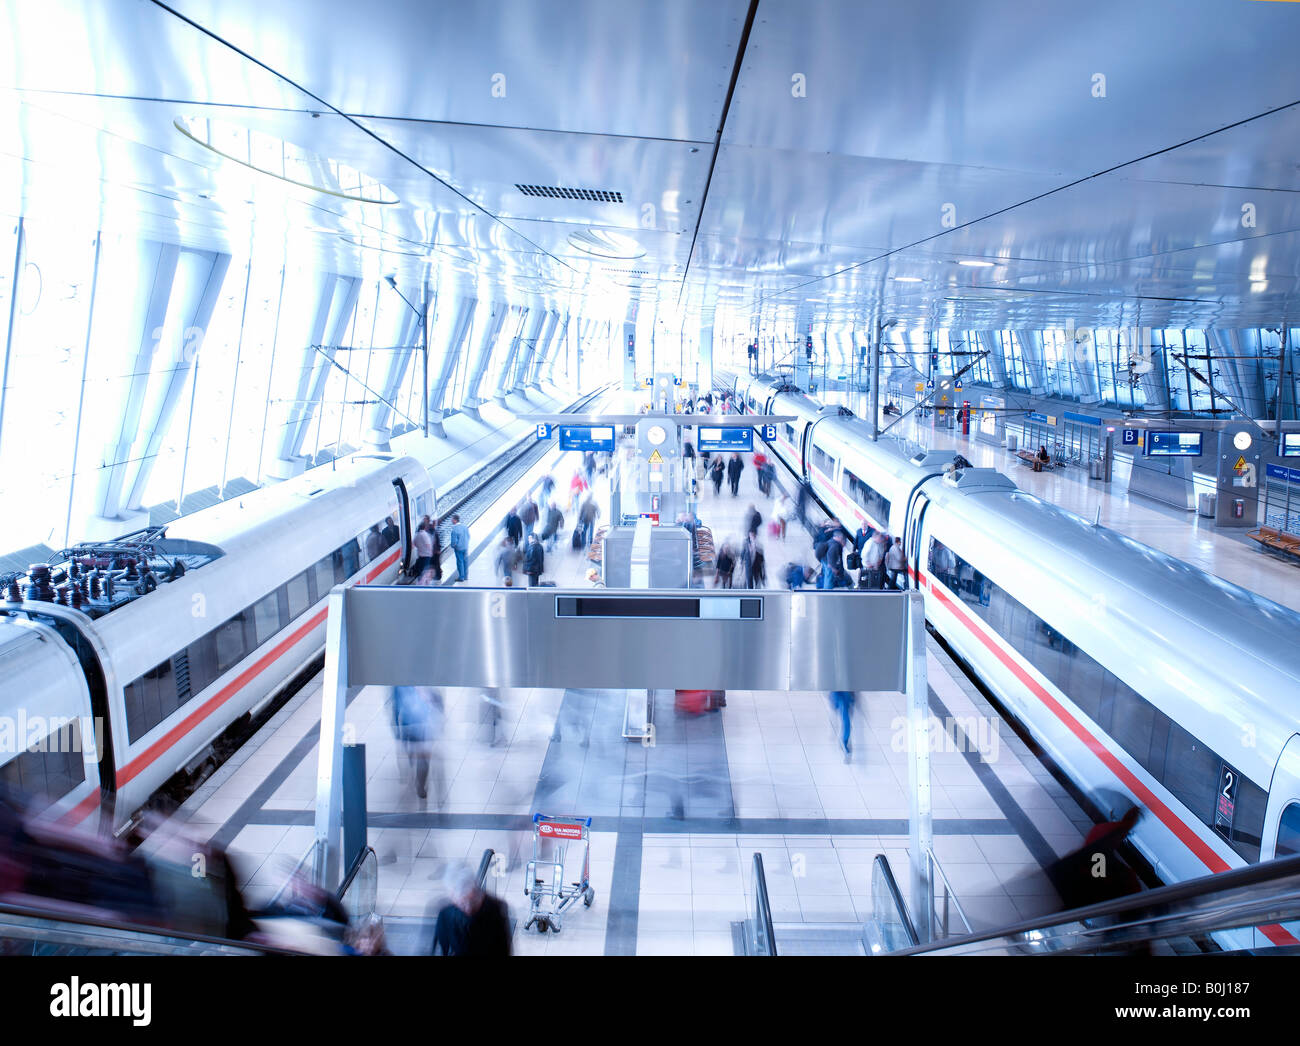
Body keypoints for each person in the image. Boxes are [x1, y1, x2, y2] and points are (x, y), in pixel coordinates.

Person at [431, 864, 512, 956]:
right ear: (452, 896)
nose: (468, 908)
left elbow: (503, 948)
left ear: (476, 890)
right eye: (462, 903)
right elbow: (440, 948)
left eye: (472, 901)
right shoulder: (446, 915)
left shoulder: (496, 909)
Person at [389, 686, 444, 801]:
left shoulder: (405, 686)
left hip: (421, 726)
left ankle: (420, 784)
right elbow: (396, 705)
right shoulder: (400, 687)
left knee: (422, 758)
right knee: (418, 756)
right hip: (411, 726)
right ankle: (418, 781)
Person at [829, 690, 856, 757]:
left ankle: (845, 740)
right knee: (845, 718)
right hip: (840, 694)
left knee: (846, 718)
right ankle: (844, 741)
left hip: (845, 694)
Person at [448, 514, 470, 582]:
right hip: (465, 547)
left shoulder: (454, 529)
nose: (451, 520)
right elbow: (468, 536)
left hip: (459, 548)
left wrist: (453, 546)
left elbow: (454, 542)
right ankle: (466, 576)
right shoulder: (465, 527)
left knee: (460, 562)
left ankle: (461, 577)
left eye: (452, 519)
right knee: (465, 561)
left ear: (455, 520)